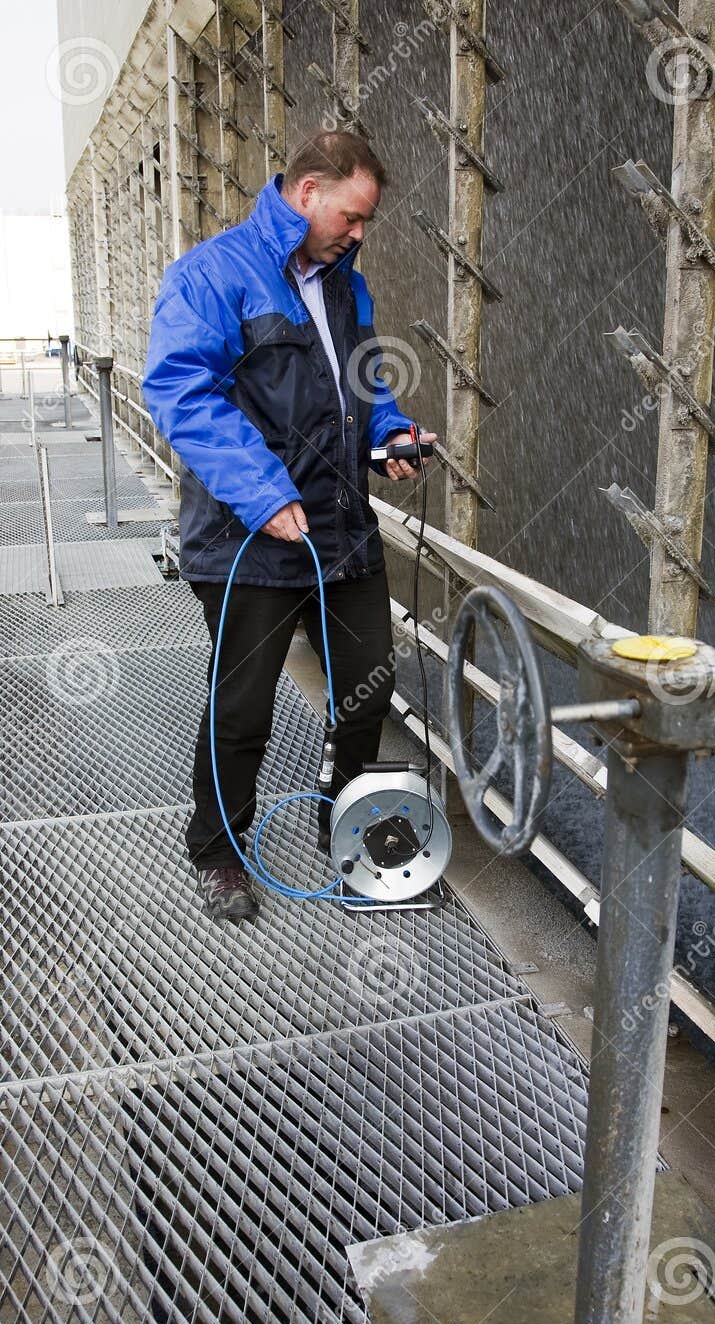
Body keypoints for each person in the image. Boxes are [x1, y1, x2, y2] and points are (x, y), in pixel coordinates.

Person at [142, 129, 436, 922]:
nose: (359, 232)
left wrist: (388, 435)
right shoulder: (212, 274)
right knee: (242, 710)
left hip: (342, 532)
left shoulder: (345, 282)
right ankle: (218, 850)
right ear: (307, 193)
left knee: (367, 694)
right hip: (248, 539)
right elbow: (179, 393)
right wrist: (264, 494)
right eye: (352, 214)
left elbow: (362, 384)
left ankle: (348, 832)